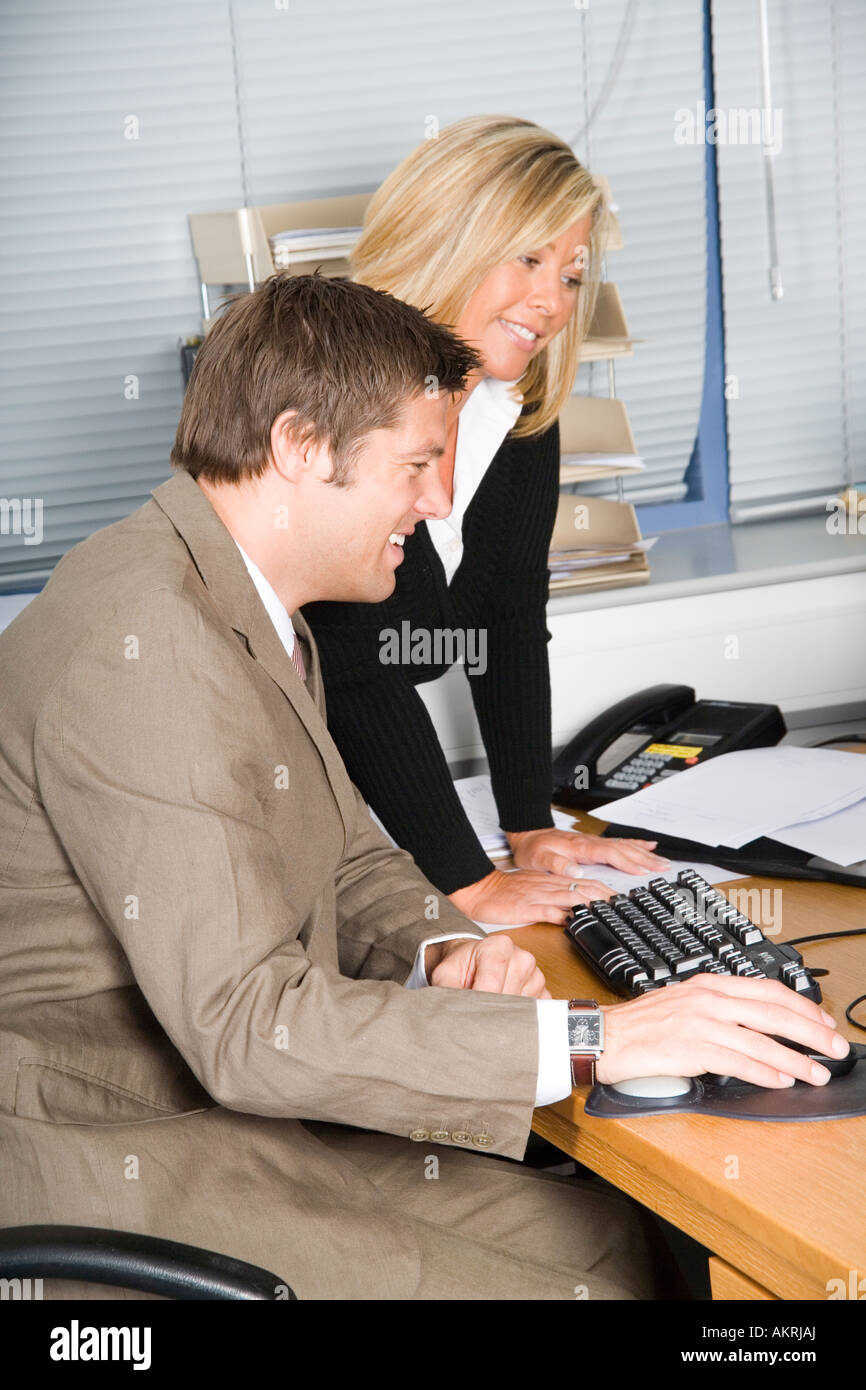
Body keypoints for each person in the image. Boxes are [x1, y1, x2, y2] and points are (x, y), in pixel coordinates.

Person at [0, 275, 845, 1303]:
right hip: (123, 1144)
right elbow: (243, 1028)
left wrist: (444, 946)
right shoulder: (146, 646)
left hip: (225, 1109)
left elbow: (343, 847)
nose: (438, 501)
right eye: (415, 463)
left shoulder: (236, 594)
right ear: (301, 447)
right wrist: (598, 1036)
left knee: (615, 1240)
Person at [303, 115, 666, 928]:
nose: (552, 300)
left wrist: (529, 824)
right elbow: (353, 665)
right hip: (262, 803)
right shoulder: (342, 407)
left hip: (358, 817)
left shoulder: (517, 410)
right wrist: (469, 883)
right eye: (528, 258)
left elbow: (507, 621)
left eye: (571, 274)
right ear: (447, 239)